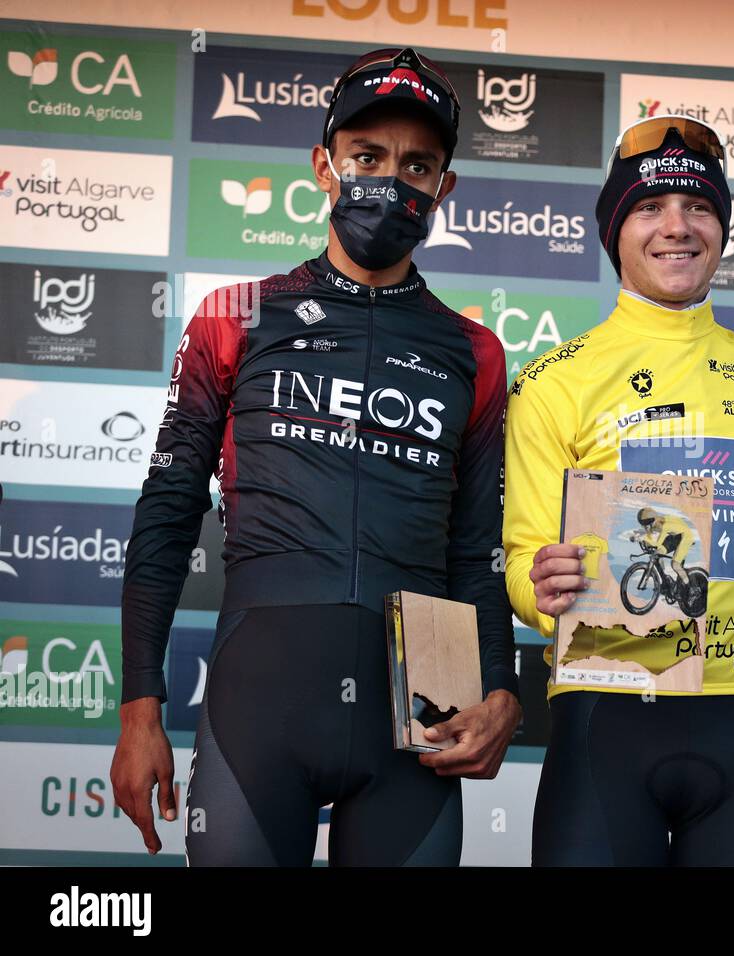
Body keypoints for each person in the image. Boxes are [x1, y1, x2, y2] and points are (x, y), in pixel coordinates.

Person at [110, 47, 521, 867]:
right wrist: (139, 710)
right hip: (258, 708)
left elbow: (474, 553)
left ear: (445, 188)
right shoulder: (234, 317)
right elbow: (166, 515)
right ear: (323, 166)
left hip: (421, 715)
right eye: (367, 157)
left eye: (417, 165)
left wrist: (503, 688)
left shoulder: (475, 351)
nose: (390, 182)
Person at [503, 115, 734, 866]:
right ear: (616, 230)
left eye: (699, 207)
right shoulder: (552, 381)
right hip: (603, 714)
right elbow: (521, 566)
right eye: (649, 208)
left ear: (722, 226)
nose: (677, 227)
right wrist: (536, 582)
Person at [635, 506, 695, 593]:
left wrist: (645, 540)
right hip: (676, 535)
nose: (646, 527)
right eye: (643, 524)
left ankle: (690, 588)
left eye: (647, 524)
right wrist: (642, 539)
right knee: (658, 554)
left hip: (685, 536)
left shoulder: (663, 526)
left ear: (653, 520)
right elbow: (649, 535)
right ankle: (665, 579)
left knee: (675, 565)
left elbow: (657, 544)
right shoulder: (654, 523)